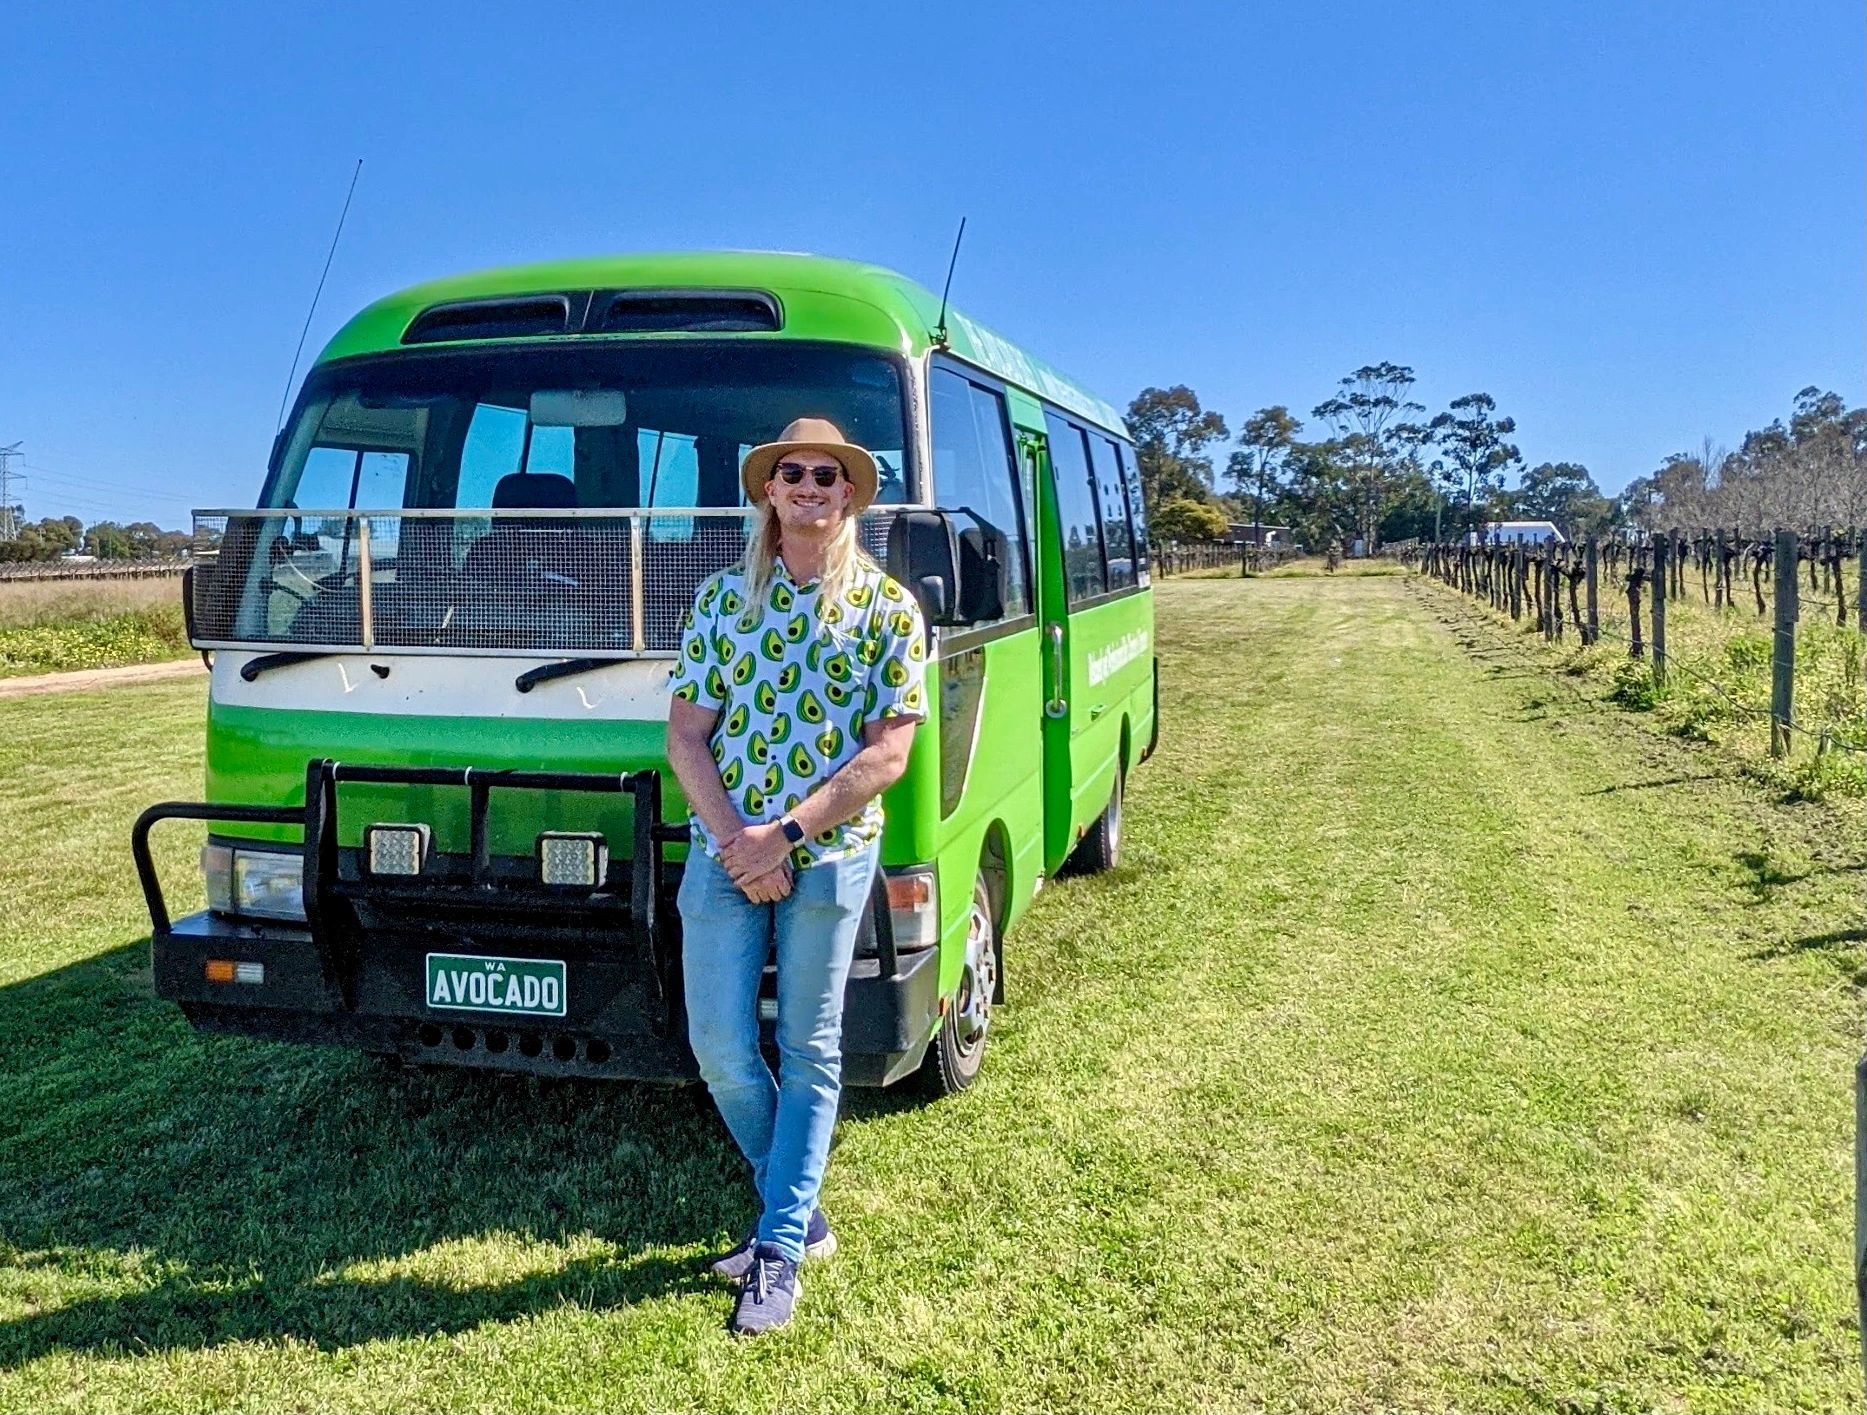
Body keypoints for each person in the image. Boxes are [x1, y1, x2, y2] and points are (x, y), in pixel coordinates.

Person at [665, 416, 927, 1336]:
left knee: (811, 1049)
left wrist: (788, 832)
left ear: (849, 494)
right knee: (720, 1049)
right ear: (768, 491)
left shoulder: (890, 610)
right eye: (792, 473)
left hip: (828, 857)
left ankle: (776, 1250)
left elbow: (889, 751)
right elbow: (686, 735)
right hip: (723, 854)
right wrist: (739, 838)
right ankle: (800, 1212)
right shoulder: (717, 602)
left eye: (828, 474)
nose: (809, 486)